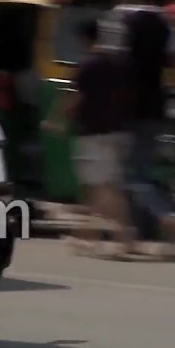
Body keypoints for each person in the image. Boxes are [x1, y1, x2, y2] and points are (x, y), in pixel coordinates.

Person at [46, 18, 136, 258]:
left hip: (94, 134)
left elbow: (74, 97)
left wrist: (56, 121)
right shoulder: (116, 63)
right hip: (118, 131)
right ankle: (87, 237)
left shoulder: (88, 65)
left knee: (102, 189)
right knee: (103, 188)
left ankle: (123, 237)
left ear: (83, 39)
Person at [114, 0, 175, 257]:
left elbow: (120, 63)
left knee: (132, 173)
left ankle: (165, 219)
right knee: (141, 168)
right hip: (156, 102)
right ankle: (141, 228)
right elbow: (173, 60)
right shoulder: (163, 22)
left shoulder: (126, 22)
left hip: (131, 106)